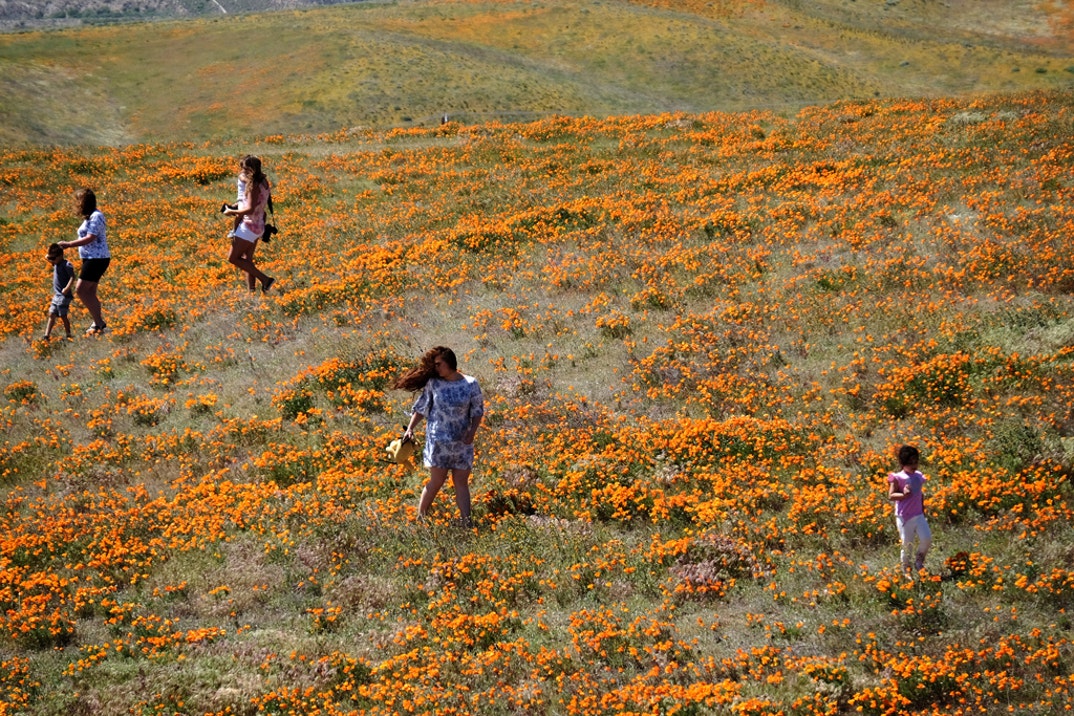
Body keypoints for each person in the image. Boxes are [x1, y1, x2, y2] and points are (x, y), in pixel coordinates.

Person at [395, 346, 485, 526]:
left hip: (462, 442)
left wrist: (472, 433)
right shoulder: (434, 383)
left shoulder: (470, 383)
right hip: (439, 442)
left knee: (461, 481)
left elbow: (477, 411)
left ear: (450, 363)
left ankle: (467, 522)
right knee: (437, 480)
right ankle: (421, 518)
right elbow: (422, 408)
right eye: (434, 365)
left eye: (439, 364)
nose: (436, 368)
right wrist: (410, 428)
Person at [57, 187, 110, 335]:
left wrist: (69, 244)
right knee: (90, 291)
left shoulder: (96, 216)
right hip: (91, 258)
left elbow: (90, 238)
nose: (77, 205)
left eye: (79, 201)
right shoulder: (90, 216)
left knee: (81, 290)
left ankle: (99, 323)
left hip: (97, 259)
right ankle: (97, 323)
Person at [222, 155, 275, 293]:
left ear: (252, 169)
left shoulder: (254, 185)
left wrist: (229, 212)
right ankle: (251, 291)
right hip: (258, 225)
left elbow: (250, 208)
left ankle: (265, 280)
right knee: (247, 260)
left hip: (249, 226)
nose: (243, 171)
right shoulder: (263, 182)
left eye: (245, 168)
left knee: (233, 258)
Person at [887, 445, 932, 575]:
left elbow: (920, 493)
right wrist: (904, 495)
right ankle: (906, 570)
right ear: (902, 463)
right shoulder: (897, 477)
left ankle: (919, 561)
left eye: (916, 462)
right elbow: (891, 495)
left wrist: (922, 508)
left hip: (918, 515)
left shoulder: (918, 476)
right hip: (905, 517)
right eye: (910, 463)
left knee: (926, 538)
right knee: (908, 545)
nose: (914, 465)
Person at [43, 243, 75, 340]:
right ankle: (46, 336)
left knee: (63, 315)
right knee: (52, 314)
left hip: (64, 295)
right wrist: (55, 247)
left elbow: (72, 277)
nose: (51, 261)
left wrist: (67, 288)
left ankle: (68, 335)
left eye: (53, 258)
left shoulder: (66, 265)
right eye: (51, 258)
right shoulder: (55, 262)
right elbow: (46, 257)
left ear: (61, 256)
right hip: (57, 295)